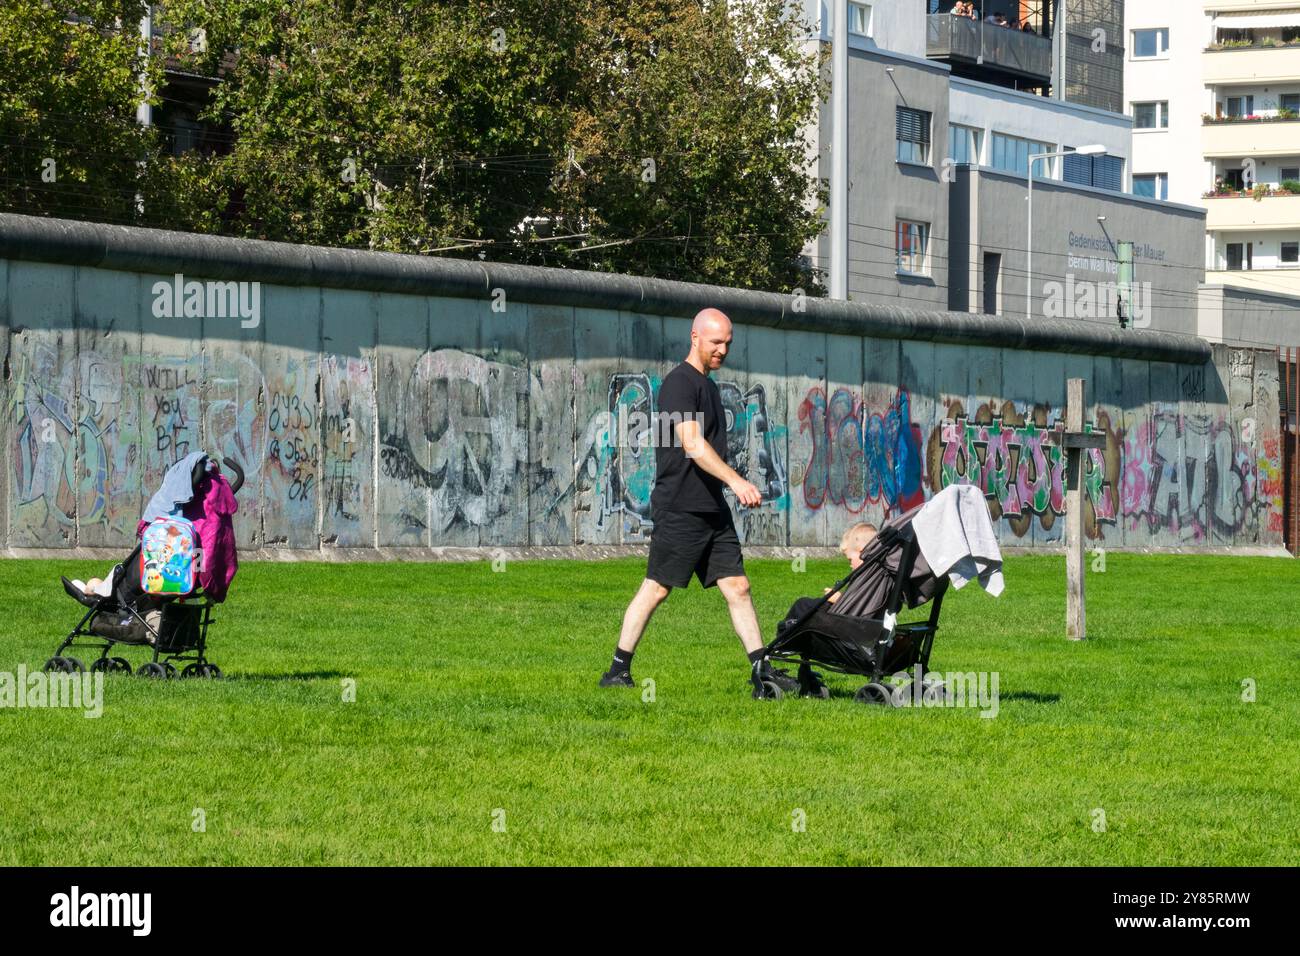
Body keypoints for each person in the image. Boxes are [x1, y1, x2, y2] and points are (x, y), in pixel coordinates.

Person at [600, 308, 781, 698]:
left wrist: (725, 489)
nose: (722, 350)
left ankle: (761, 670)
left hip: (711, 508)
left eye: (728, 343)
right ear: (695, 337)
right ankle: (617, 670)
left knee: (738, 586)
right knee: (657, 588)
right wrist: (736, 480)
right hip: (681, 506)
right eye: (716, 342)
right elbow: (692, 443)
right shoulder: (679, 384)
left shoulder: (709, 386)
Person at [779, 523, 878, 625]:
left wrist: (839, 600)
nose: (850, 565)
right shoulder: (875, 576)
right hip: (850, 619)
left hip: (846, 625)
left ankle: (783, 635)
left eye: (850, 560)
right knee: (806, 604)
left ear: (863, 553)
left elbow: (860, 607)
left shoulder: (869, 579)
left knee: (802, 605)